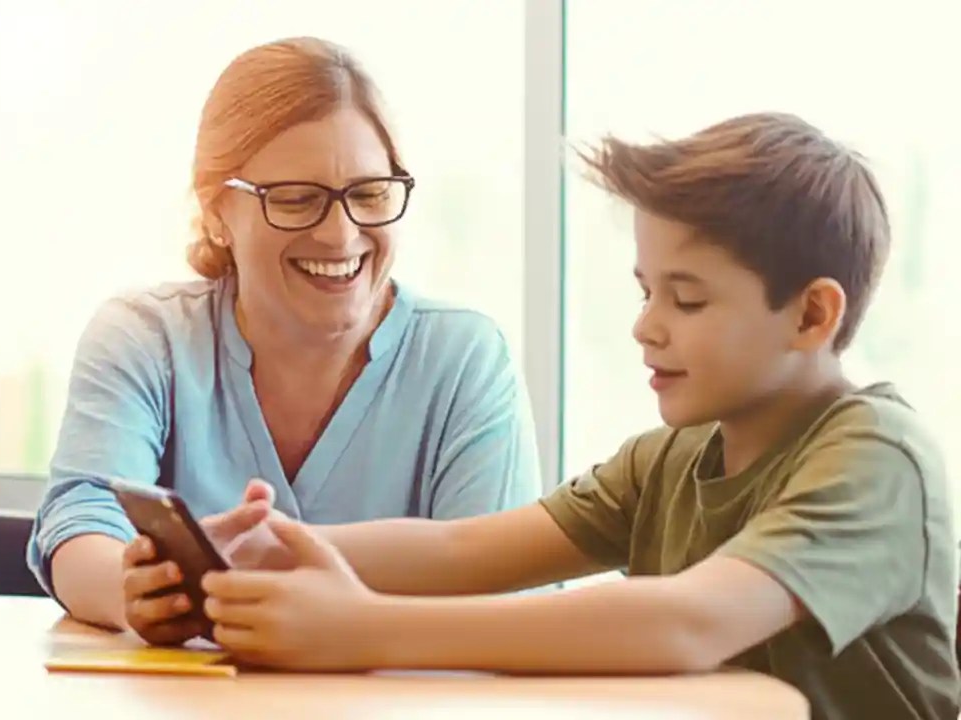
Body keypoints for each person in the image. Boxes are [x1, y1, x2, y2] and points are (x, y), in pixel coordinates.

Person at [201, 113, 959, 719]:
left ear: (811, 315)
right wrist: (248, 555)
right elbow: (465, 549)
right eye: (645, 291)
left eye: (687, 298)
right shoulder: (673, 455)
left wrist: (359, 629)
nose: (647, 325)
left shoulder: (877, 459)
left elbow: (687, 623)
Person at [25, 36, 541, 646]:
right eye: (296, 201)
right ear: (216, 210)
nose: (341, 234)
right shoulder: (145, 338)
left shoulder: (464, 359)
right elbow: (81, 516)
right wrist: (130, 590)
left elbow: (500, 592)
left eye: (370, 194)